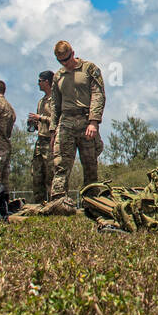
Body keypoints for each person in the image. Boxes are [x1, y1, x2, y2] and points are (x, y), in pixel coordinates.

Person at [48, 42, 106, 200]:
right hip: (65, 121)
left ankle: (92, 201)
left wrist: (94, 121)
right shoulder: (58, 76)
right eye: (60, 61)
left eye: (66, 59)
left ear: (72, 53)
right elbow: (55, 104)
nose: (64, 63)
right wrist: (53, 130)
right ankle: (58, 201)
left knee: (90, 163)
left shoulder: (89, 69)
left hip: (85, 120)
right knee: (60, 162)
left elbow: (98, 95)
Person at [28, 70, 57, 203]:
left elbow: (56, 120)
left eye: (40, 81)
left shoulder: (56, 99)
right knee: (36, 174)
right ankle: (39, 204)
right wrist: (34, 122)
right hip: (40, 141)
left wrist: (40, 117)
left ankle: (53, 203)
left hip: (50, 141)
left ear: (47, 82)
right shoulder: (41, 101)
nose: (38, 84)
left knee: (50, 174)